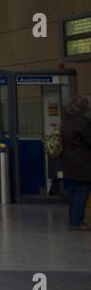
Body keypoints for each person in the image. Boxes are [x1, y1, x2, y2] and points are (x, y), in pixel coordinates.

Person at [59, 95, 91, 231]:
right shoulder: (84, 123)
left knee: (73, 192)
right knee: (82, 192)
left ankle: (74, 219)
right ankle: (77, 222)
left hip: (68, 161)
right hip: (83, 162)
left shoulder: (65, 122)